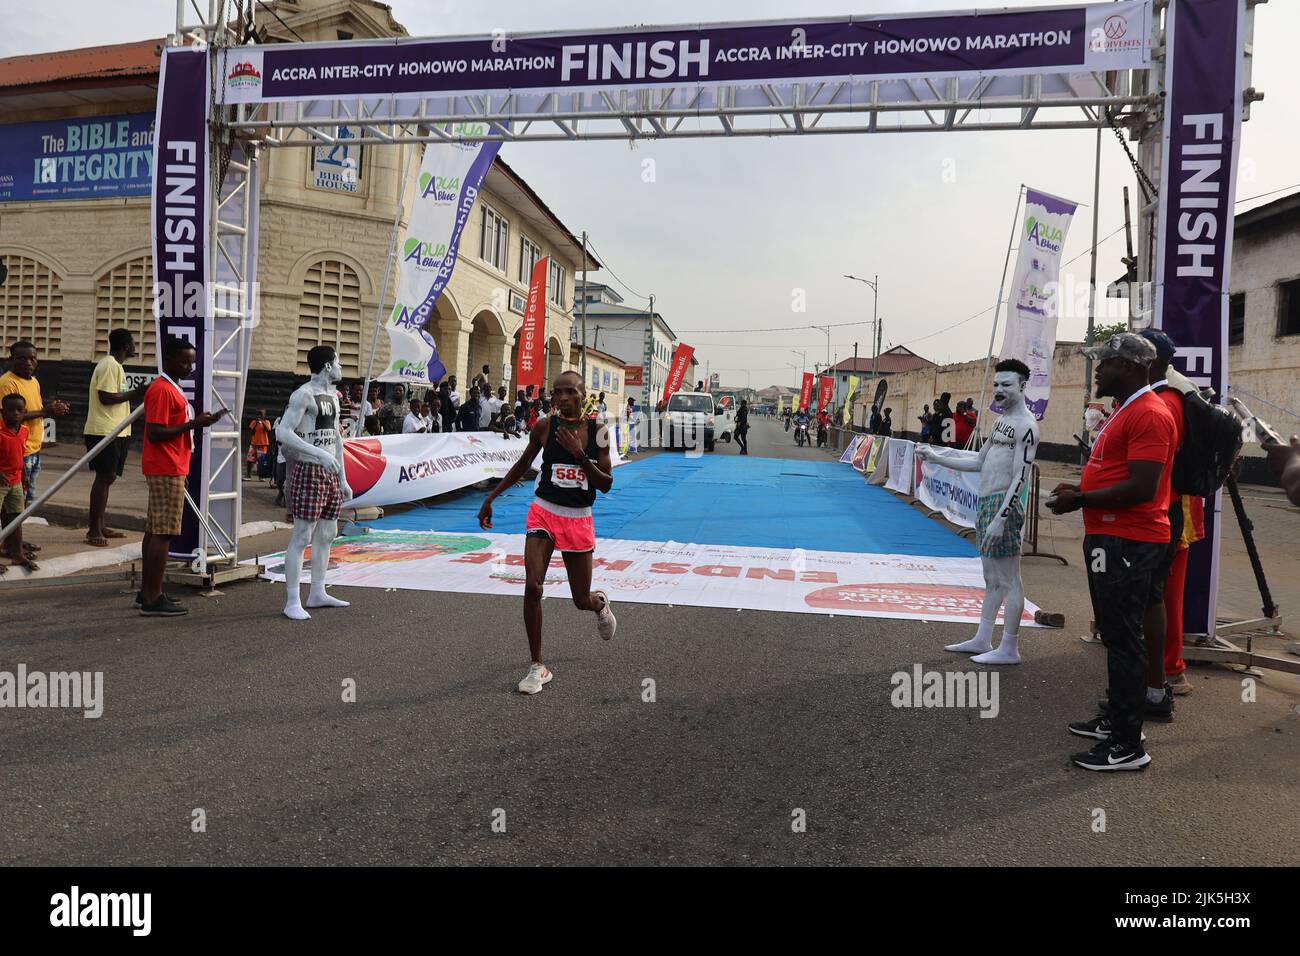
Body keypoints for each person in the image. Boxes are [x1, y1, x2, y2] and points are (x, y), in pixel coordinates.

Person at [1048, 333, 1174, 771]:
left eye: (1107, 362)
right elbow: (1117, 473)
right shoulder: (1127, 411)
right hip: (1111, 536)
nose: (1099, 369)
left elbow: (1143, 486)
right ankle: (1117, 720)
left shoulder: (1151, 414)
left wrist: (1081, 500)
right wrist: (1081, 489)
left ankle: (1127, 744)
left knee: (1123, 639)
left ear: (1134, 367)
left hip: (1130, 539)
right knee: (1115, 633)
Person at [478, 369, 617, 694]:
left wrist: (580, 456)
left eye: (571, 392)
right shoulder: (544, 427)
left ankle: (600, 604)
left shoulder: (599, 432)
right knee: (532, 586)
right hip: (544, 511)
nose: (564, 398)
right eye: (558, 392)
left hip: (578, 517)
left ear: (584, 395)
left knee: (580, 599)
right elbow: (522, 465)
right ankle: (537, 666)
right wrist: (492, 496)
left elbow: (607, 484)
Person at [917, 359, 1038, 665]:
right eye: (996, 384)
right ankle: (983, 638)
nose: (999, 390)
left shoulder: (1026, 427)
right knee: (991, 577)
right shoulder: (999, 423)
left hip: (1003, 507)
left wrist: (1002, 518)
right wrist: (936, 456)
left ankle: (1009, 648)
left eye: (1006, 385)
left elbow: (1020, 477)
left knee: (1010, 579)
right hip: (986, 503)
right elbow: (978, 462)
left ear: (1023, 386)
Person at [139, 337, 226, 617]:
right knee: (163, 533)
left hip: (172, 466)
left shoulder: (170, 388)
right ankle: (153, 596)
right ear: (170, 359)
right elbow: (155, 432)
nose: (190, 366)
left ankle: (148, 591)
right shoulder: (162, 390)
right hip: (165, 465)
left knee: (155, 529)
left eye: (192, 361)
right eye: (185, 361)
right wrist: (194, 423)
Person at [277, 345, 353, 621]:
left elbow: (336, 438)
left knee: (327, 534)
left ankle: (318, 591)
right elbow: (283, 432)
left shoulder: (332, 395)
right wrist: (318, 453)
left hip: (331, 473)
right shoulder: (303, 395)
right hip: (309, 471)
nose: (342, 368)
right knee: (302, 535)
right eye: (339, 363)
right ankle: (292, 600)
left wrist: (343, 478)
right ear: (328, 366)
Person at [85, 329, 147, 547]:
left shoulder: (116, 366)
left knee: (108, 478)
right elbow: (106, 398)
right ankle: (93, 530)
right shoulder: (110, 365)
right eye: (132, 343)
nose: (134, 346)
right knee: (104, 477)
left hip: (117, 431)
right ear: (126, 346)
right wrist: (136, 394)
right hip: (103, 431)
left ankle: (101, 525)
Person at [0, 340, 70, 509]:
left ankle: (13, 532)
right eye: (22, 358)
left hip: (33, 448)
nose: (28, 363)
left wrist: (54, 408)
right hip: (18, 450)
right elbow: (10, 417)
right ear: (11, 359)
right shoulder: (7, 383)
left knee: (25, 499)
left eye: (32, 358)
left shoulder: (34, 382)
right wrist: (45, 411)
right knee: (12, 501)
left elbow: (33, 409)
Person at [0, 393, 34, 572]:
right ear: (2, 411)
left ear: (25, 412)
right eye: (10, 410)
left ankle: (17, 553)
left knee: (17, 518)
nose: (15, 413)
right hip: (1, 482)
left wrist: (25, 476)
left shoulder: (24, 431)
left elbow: (20, 455)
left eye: (19, 410)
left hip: (15, 482)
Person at [245, 408, 273, 479]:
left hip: (263, 444)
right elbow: (251, 432)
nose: (259, 416)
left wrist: (262, 422)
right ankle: (248, 475)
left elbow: (268, 430)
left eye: (261, 414)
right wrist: (256, 424)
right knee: (249, 460)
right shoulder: (254, 422)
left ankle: (261, 476)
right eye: (258, 414)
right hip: (254, 444)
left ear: (264, 415)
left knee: (261, 461)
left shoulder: (267, 422)